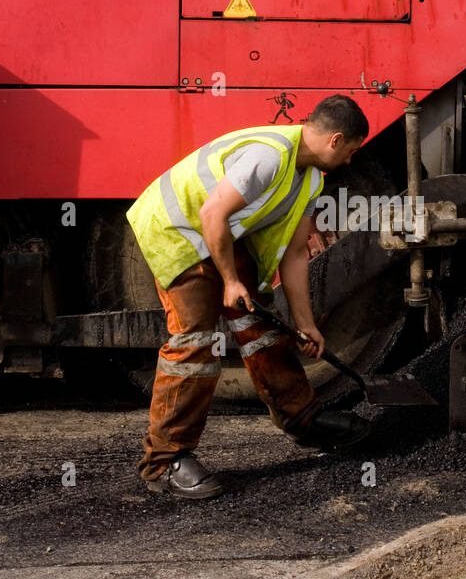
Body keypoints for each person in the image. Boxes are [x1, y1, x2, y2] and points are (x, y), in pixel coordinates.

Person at [126, 95, 371, 499]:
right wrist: (229, 280)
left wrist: (304, 323)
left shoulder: (310, 180)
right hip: (176, 230)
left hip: (219, 234)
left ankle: (303, 419)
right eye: (350, 151)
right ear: (336, 140)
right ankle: (164, 461)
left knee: (262, 324)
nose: (349, 160)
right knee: (195, 341)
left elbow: (294, 255)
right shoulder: (270, 156)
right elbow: (211, 215)